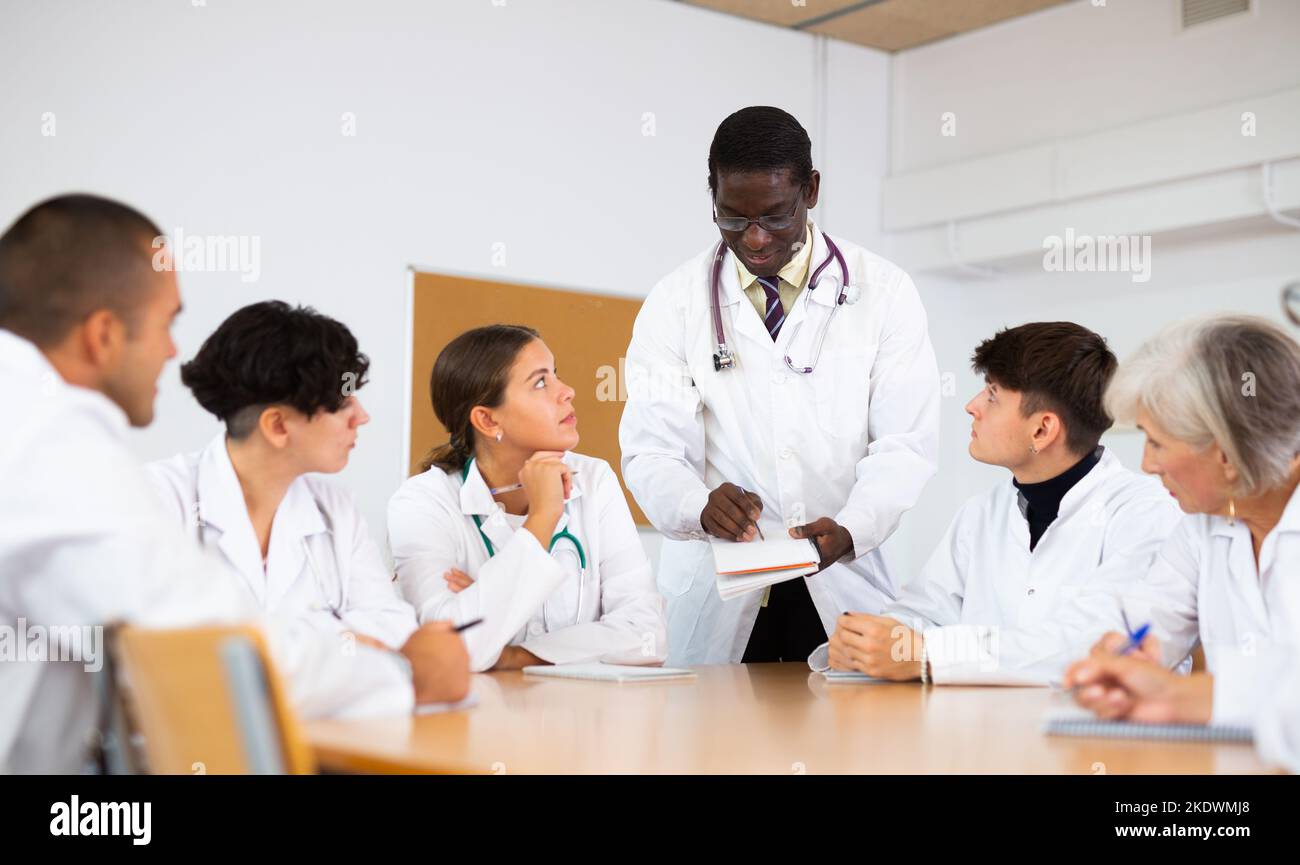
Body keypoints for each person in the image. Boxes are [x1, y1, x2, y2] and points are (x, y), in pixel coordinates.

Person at [0, 194, 467, 773]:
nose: (174, 350)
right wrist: (402, 672)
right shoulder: (50, 441)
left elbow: (368, 625)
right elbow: (211, 651)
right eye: (167, 323)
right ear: (102, 336)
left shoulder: (28, 418)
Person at [620, 106, 940, 664]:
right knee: (716, 746)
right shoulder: (674, 302)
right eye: (732, 218)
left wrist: (852, 528)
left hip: (839, 580)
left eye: (775, 215)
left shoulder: (885, 293)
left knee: (842, 744)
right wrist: (697, 506)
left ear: (811, 190)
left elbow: (904, 446)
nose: (756, 238)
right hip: (721, 591)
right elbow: (651, 450)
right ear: (711, 195)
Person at [817, 323, 1181, 683]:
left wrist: (929, 655)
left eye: (992, 394)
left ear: (1042, 430)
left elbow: (1098, 645)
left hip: (1096, 735)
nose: (971, 406)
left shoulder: (1145, 514)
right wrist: (868, 642)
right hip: (980, 731)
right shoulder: (981, 514)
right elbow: (925, 614)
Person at [1062, 315, 1300, 762]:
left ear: (1226, 453)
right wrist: (1119, 654)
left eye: (1156, 443)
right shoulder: (1205, 525)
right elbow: (1146, 614)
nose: (1147, 465)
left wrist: (1184, 697)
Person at [388, 324, 667, 672]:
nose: (567, 391)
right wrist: (543, 518)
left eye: (555, 374)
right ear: (488, 420)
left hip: (583, 720)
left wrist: (512, 652)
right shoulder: (422, 503)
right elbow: (448, 646)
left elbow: (646, 635)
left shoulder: (595, 480)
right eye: (540, 382)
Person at [147, 301, 420, 651]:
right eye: (343, 403)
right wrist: (335, 636)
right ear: (277, 426)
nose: (362, 417)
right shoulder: (160, 497)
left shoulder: (335, 508)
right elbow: (166, 643)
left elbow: (393, 625)